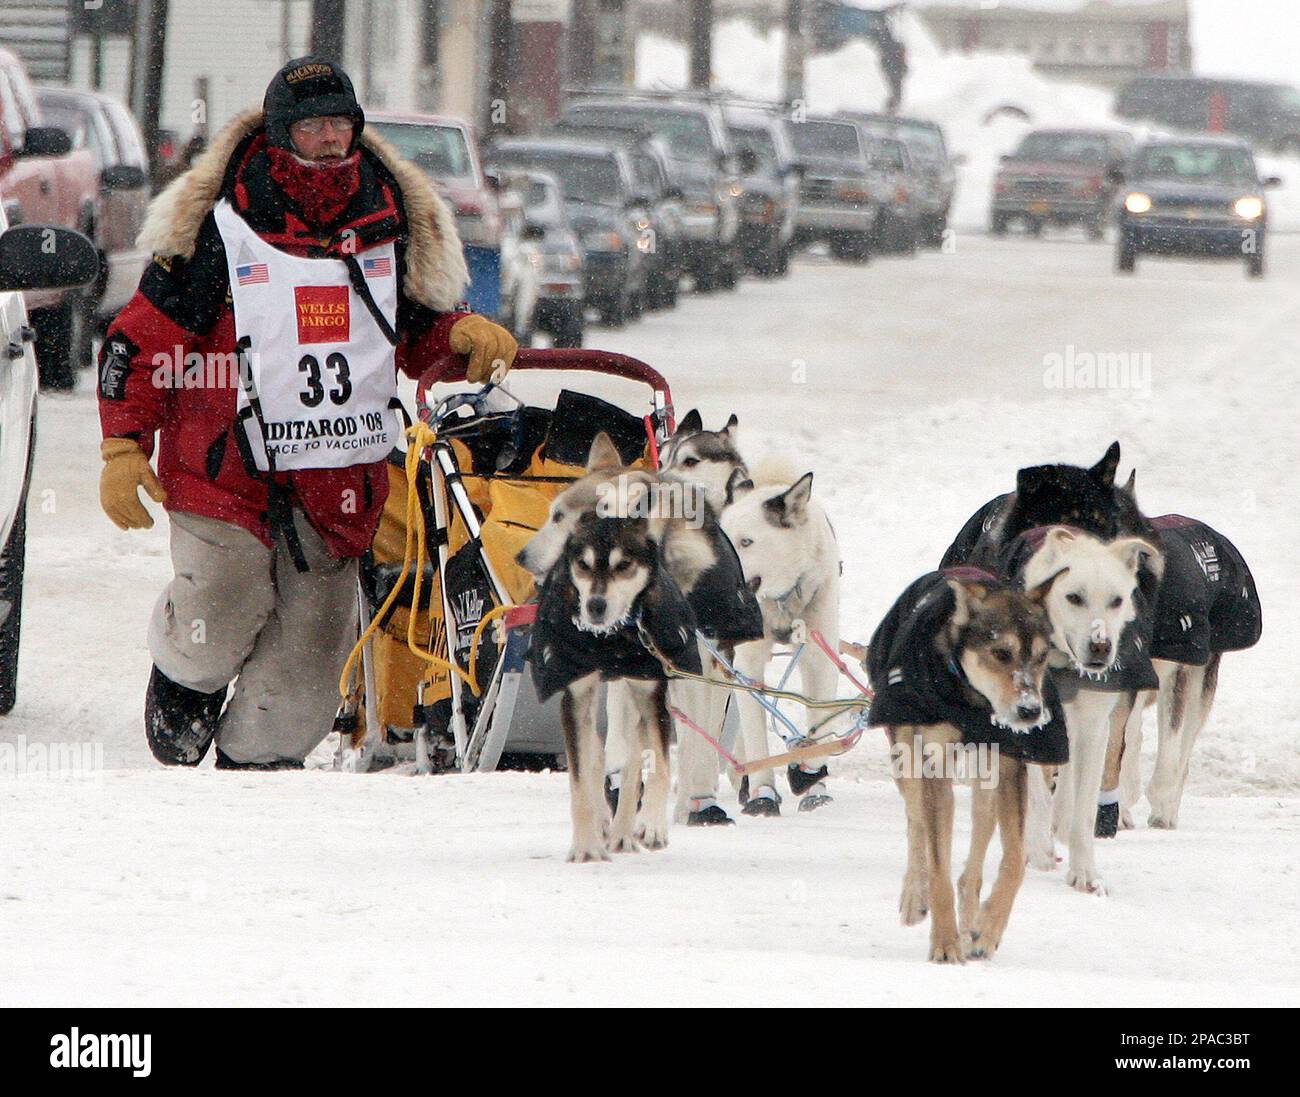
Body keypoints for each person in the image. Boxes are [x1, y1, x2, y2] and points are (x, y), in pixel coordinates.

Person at [97, 56, 518, 769]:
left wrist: (458, 337)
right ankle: (183, 680)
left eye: (340, 124)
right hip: (224, 466)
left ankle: (252, 787)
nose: (328, 139)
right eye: (312, 126)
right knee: (218, 619)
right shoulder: (222, 224)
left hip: (337, 480)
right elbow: (142, 339)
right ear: (280, 133)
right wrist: (123, 446)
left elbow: (414, 335)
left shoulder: (388, 218)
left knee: (307, 676)